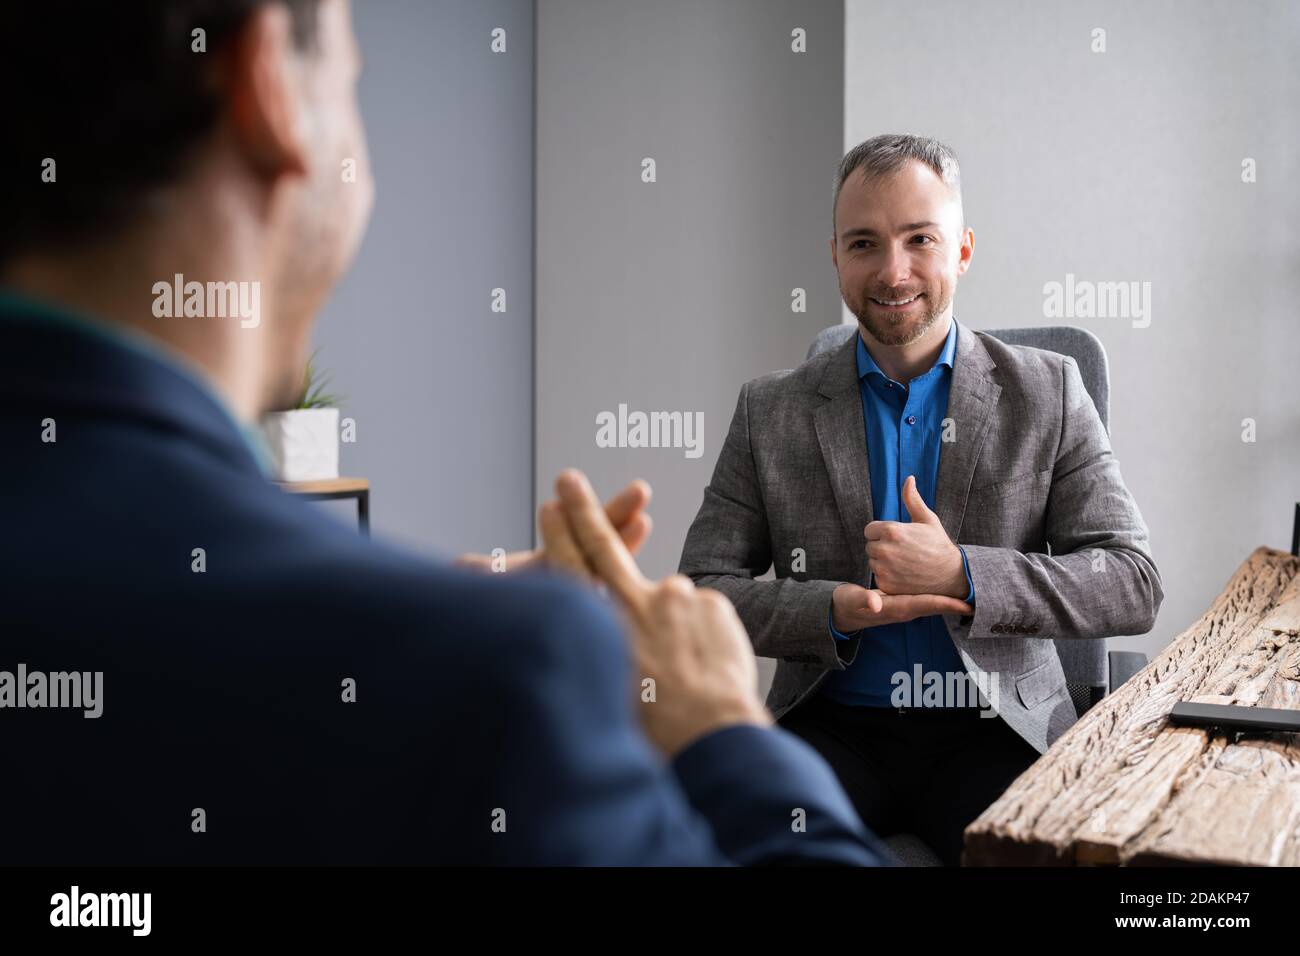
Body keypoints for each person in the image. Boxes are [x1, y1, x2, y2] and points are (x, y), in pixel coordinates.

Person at [0, 0, 891, 866]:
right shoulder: (500, 676)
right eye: (353, 81)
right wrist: (719, 725)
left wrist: (428, 609)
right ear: (265, 79)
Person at [678, 134, 1163, 865]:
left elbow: (1132, 582)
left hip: (996, 729)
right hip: (831, 727)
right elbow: (701, 592)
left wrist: (964, 575)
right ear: (836, 255)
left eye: (919, 240)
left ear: (962, 250)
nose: (893, 270)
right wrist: (829, 610)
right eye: (865, 243)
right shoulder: (769, 410)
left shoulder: (1049, 390)